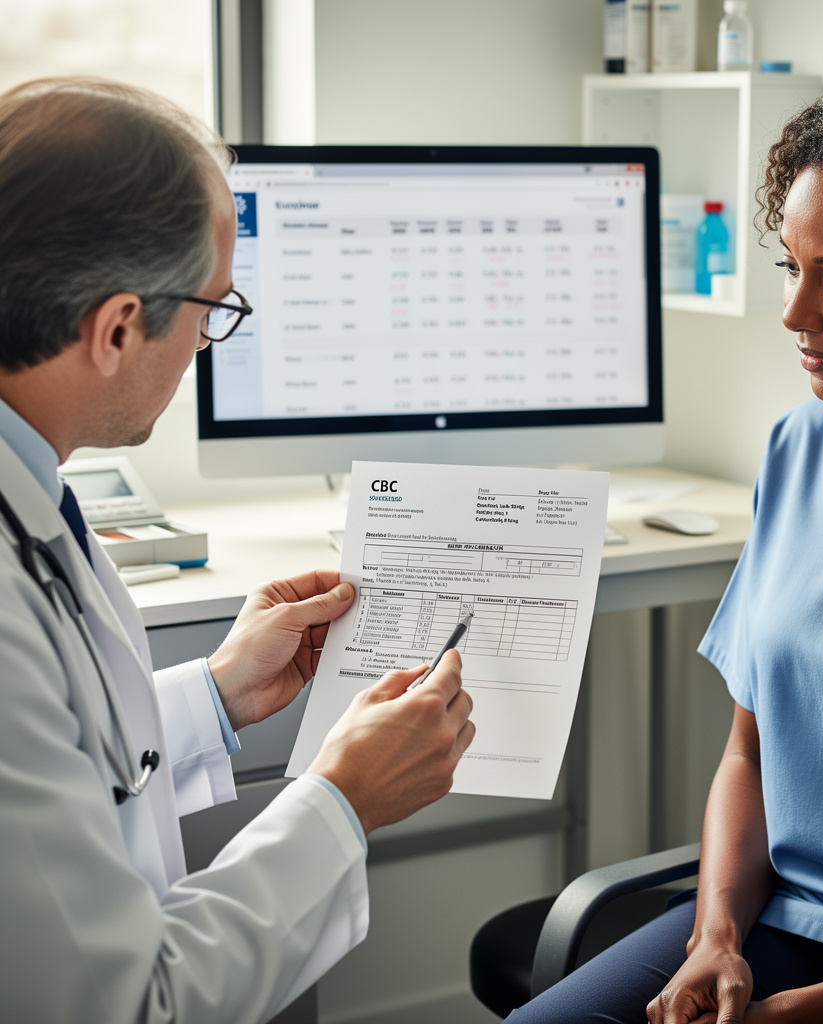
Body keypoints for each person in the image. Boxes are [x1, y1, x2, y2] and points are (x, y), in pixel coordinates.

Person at [506, 69, 823, 1024]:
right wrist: (714, 939)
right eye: (791, 268)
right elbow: (750, 751)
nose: (795, 314)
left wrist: (815, 1012)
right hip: (775, 922)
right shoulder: (801, 448)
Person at [0, 78, 475, 1022]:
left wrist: (218, 696)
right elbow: (132, 1006)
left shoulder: (34, 494)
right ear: (119, 326)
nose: (205, 343)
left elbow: (58, 769)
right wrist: (343, 798)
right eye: (211, 311)